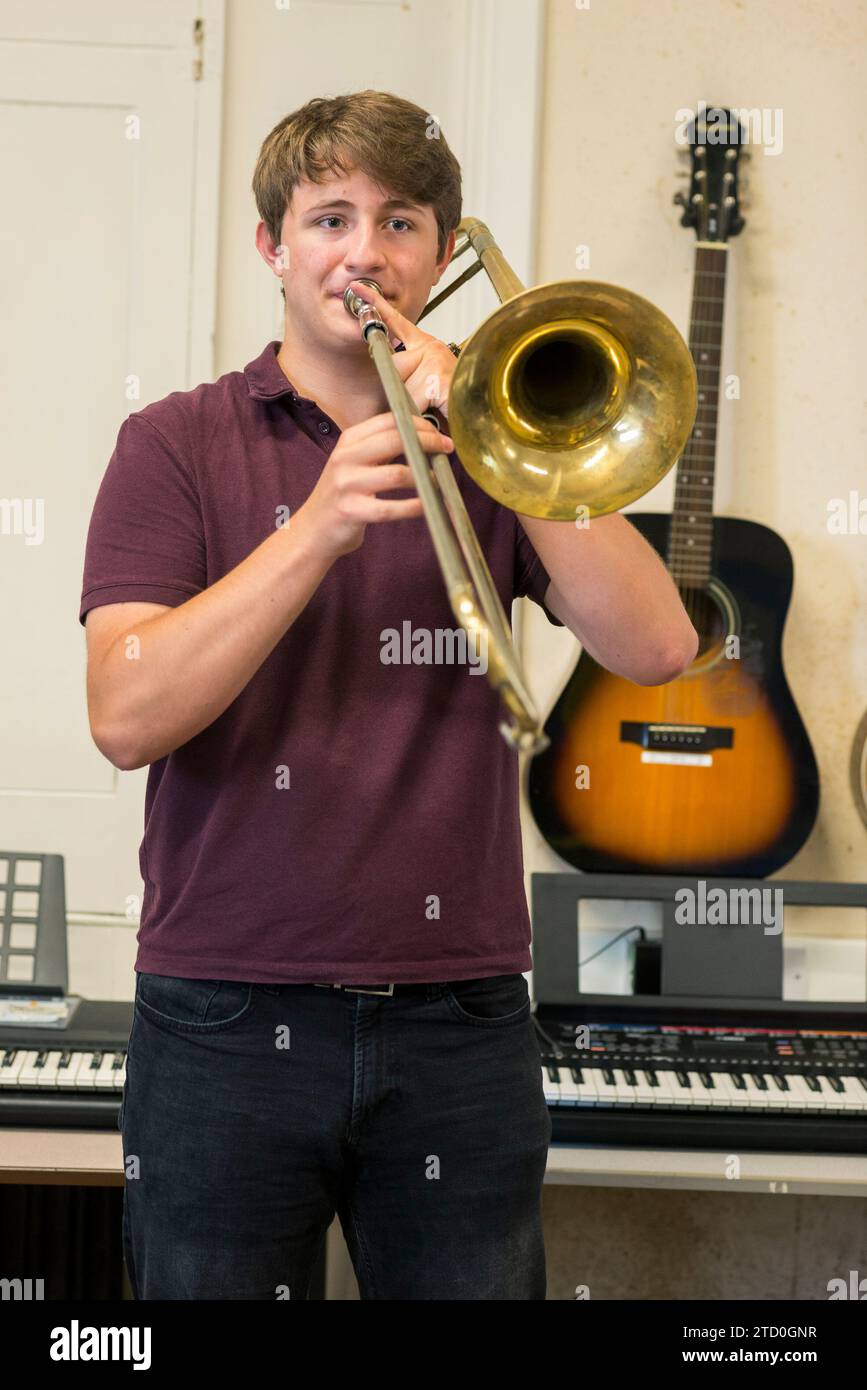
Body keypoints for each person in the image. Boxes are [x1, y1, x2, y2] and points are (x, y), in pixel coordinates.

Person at [79, 90, 698, 1300]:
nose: (366, 252)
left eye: (401, 221)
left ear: (440, 251)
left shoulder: (498, 435)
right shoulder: (173, 443)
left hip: (459, 1020)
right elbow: (125, 713)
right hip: (220, 1014)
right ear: (274, 246)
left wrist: (498, 440)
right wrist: (314, 531)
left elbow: (661, 646)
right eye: (329, 217)